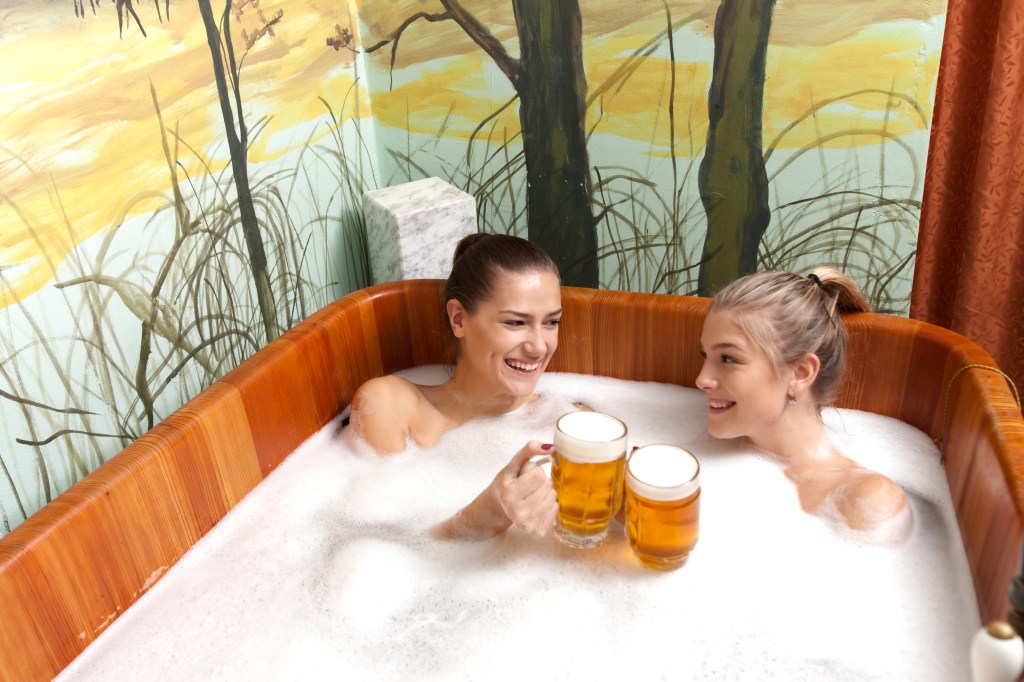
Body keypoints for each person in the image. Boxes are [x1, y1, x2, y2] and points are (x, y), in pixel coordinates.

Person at [347, 233, 561, 540]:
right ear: (458, 319)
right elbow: (387, 547)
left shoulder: (565, 421)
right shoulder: (391, 406)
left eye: (552, 322)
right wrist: (487, 513)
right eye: (515, 323)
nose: (539, 347)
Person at [695, 267, 909, 536]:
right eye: (705, 356)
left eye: (728, 359)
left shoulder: (865, 499)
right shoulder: (708, 449)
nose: (701, 380)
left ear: (800, 373)